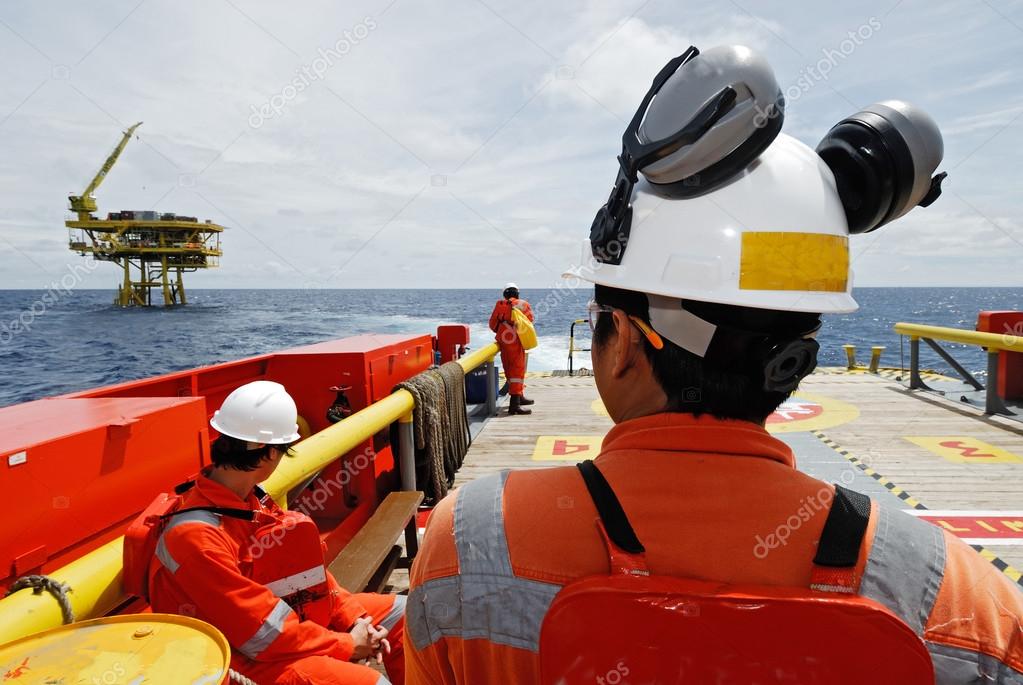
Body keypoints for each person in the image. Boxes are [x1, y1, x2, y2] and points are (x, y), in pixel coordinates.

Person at [405, 46, 1023, 683]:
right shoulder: (963, 598)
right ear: (794, 358)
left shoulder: (469, 545)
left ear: (623, 343)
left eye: (598, 322)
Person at [148, 380, 406, 685]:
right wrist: (348, 645)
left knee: (406, 613)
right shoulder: (195, 539)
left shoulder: (249, 501)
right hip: (240, 660)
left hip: (282, 632)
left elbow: (313, 580)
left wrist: (356, 619)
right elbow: (263, 635)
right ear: (270, 454)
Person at [489, 282, 535, 415]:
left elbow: (492, 324)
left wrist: (503, 330)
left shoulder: (500, 305)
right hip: (516, 340)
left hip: (504, 340)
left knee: (509, 369)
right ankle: (514, 405)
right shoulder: (523, 304)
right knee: (517, 372)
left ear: (505, 294)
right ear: (517, 293)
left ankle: (519, 396)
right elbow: (530, 320)